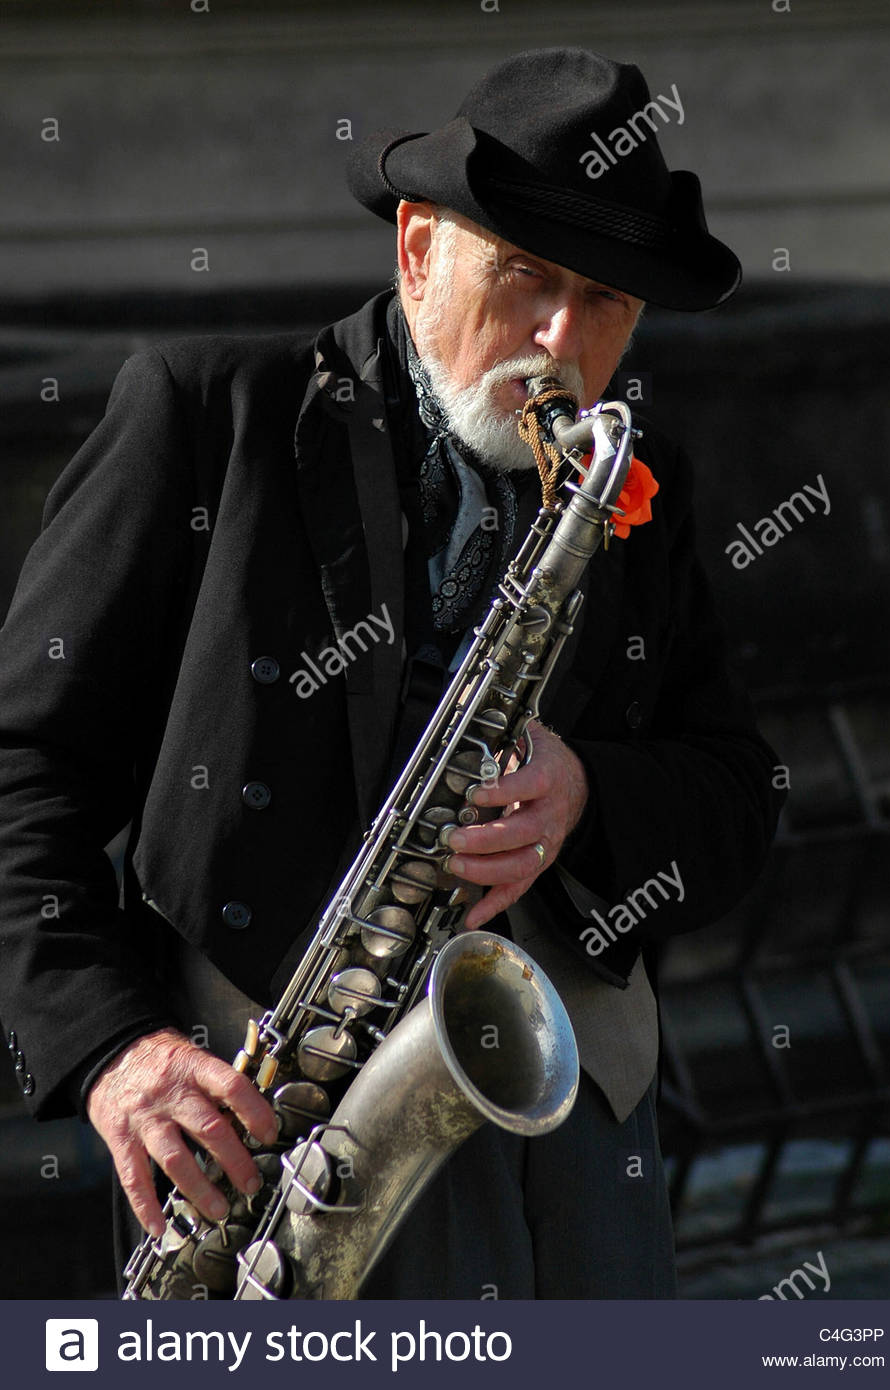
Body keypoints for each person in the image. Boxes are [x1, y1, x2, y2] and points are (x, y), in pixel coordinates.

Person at [0, 47, 783, 1298]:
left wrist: (589, 791)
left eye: (608, 300)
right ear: (418, 249)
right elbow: (19, 771)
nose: (560, 341)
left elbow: (743, 794)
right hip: (264, 1132)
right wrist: (110, 1049)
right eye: (525, 275)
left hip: (571, 1120)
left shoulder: (641, 485)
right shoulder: (209, 416)